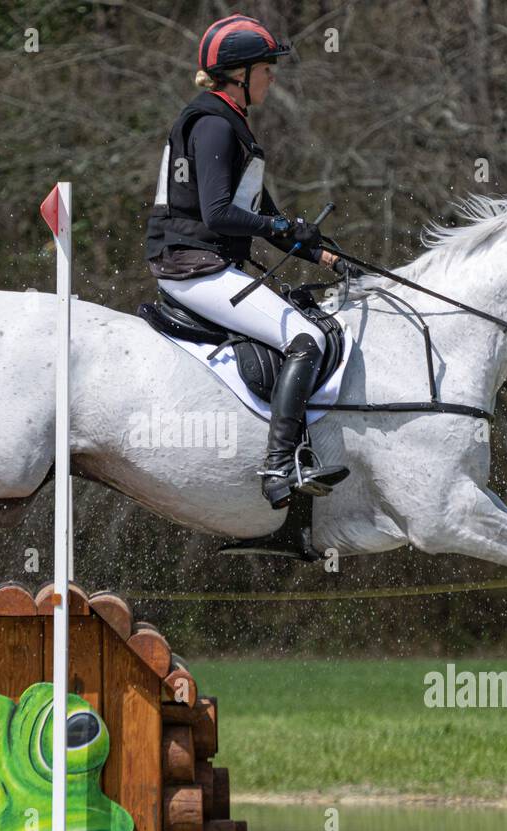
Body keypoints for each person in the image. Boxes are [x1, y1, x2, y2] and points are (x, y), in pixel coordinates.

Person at [144, 14, 350, 509]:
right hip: (193, 266)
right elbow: (219, 214)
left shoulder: (231, 126)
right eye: (266, 68)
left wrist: (324, 254)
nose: (272, 77)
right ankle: (279, 466)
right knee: (309, 338)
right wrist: (279, 228)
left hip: (203, 262)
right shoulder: (214, 125)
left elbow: (262, 214)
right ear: (239, 74)